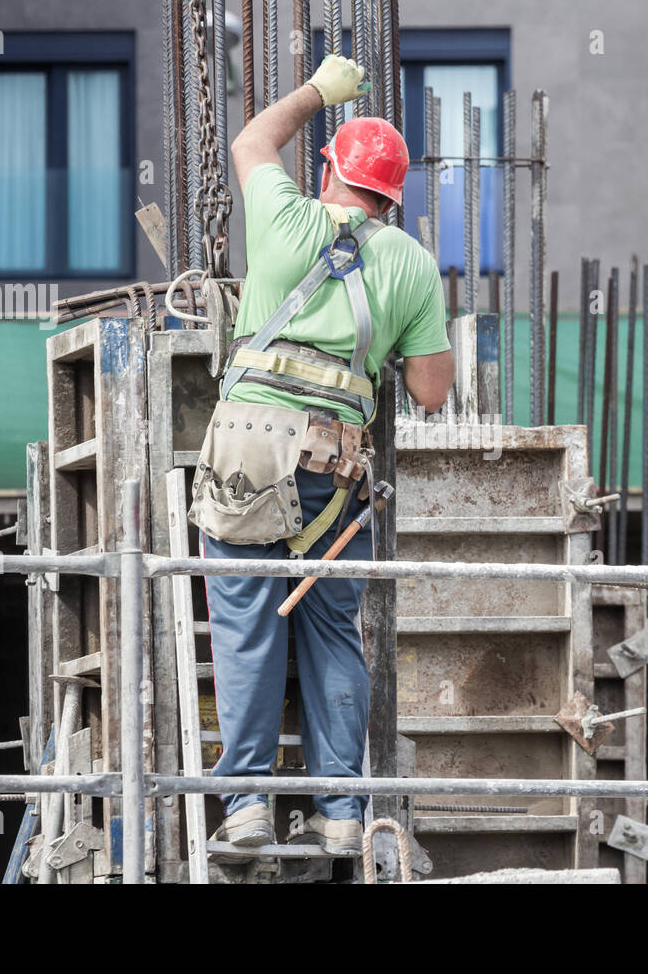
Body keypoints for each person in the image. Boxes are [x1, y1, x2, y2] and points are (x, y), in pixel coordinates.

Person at [195, 53, 455, 854]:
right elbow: (432, 393)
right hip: (332, 471)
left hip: (246, 453)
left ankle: (245, 812)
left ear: (329, 171)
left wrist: (317, 90)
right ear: (392, 197)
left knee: (246, 628)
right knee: (333, 632)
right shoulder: (412, 264)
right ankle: (343, 816)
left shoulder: (284, 216)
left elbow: (248, 141)